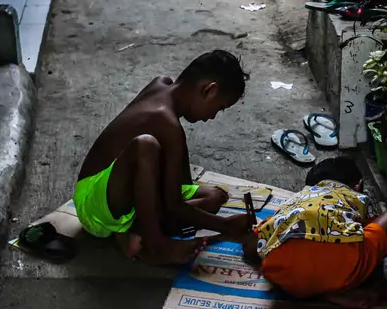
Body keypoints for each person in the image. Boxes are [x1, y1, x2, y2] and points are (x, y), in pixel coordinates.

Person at [74, 50, 253, 264]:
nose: (213, 116)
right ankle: (156, 245)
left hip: (123, 194)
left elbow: (177, 187)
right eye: (219, 108)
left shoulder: (162, 84)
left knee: (214, 197)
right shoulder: (165, 121)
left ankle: (130, 232)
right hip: (93, 205)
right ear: (209, 90)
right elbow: (173, 205)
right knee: (145, 145)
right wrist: (224, 225)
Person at [242, 157, 387, 307]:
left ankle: (319, 292)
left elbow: (250, 247)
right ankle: (333, 290)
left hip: (283, 273)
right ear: (358, 186)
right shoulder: (354, 196)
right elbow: (365, 231)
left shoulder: (293, 203)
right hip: (343, 268)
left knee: (268, 246)